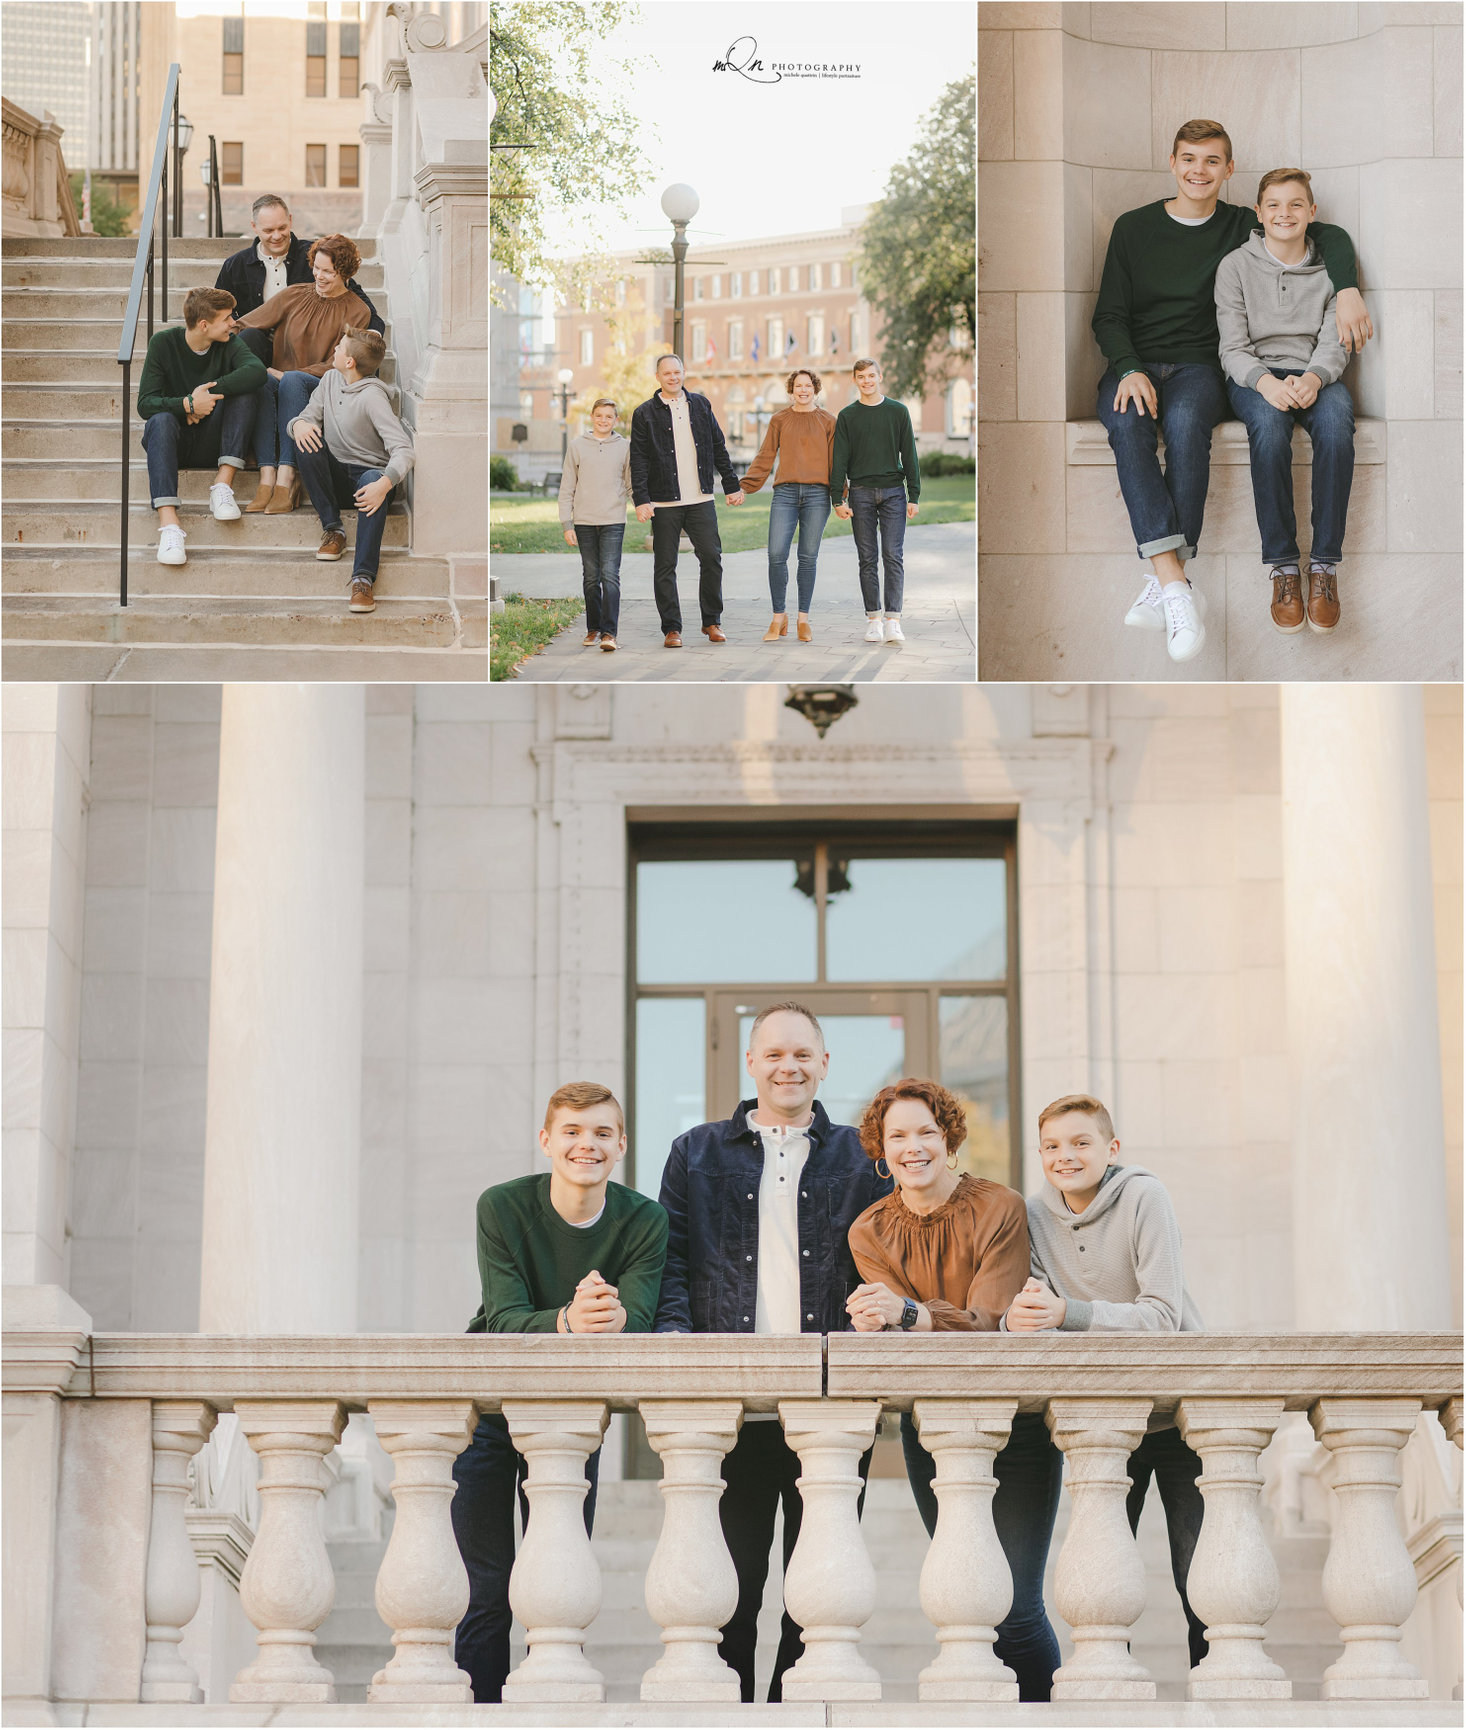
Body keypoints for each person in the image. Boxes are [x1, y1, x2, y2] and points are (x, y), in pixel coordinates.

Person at [654, 1001, 890, 1701]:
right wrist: (677, 1353)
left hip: (832, 1409)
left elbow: (885, 1272)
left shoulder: (862, 1158)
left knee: (816, 1595)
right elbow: (670, 1263)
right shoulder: (694, 1152)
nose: (788, 1066)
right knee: (729, 1588)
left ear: (823, 1065)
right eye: (774, 1054)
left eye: (802, 1054)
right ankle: (728, 1716)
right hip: (731, 1408)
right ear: (751, 1064)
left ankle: (797, 1713)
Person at [1093, 118, 1371, 663]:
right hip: (1140, 365)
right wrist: (1128, 368)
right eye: (1189, 159)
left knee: (1187, 427)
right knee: (1128, 424)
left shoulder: (1245, 223)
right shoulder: (1132, 228)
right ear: (1173, 163)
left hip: (1200, 365)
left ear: (1228, 169)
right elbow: (1108, 315)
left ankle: (1293, 572)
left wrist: (1349, 287)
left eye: (1212, 161)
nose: (1199, 171)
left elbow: (1325, 234)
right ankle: (1175, 584)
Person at [451, 1081, 668, 1704]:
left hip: (573, 1419)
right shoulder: (503, 1206)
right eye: (572, 1131)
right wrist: (571, 1321)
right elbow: (501, 1318)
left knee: (556, 1580)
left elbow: (643, 1319)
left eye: (602, 1132)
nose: (586, 1144)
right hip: (490, 1411)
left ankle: (547, 1709)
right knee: (485, 1585)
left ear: (621, 1144)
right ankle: (485, 1714)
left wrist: (612, 1316)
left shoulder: (644, 1220)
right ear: (546, 1140)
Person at [844, 1078, 1059, 1703]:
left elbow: (991, 1321)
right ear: (881, 1152)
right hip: (930, 1431)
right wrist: (876, 1320)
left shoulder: (1000, 1208)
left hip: (1012, 1427)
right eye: (898, 1136)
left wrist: (906, 1314)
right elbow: (896, 1339)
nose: (914, 1147)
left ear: (949, 1139)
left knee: (1016, 1608)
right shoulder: (869, 1231)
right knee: (971, 1605)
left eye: (926, 1132)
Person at [1004, 1093, 1208, 1678]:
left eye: (1079, 1142)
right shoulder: (1035, 1217)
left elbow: (1163, 1316)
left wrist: (1069, 1312)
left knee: (1202, 1581)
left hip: (1180, 1416)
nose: (1064, 1156)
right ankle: (1108, 1701)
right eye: (1051, 1146)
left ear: (1111, 1148)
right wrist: (1019, 1318)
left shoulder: (1146, 1196)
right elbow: (1036, 1314)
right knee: (1099, 1584)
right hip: (1102, 1422)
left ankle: (1219, 1702)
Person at [1215, 168, 1354, 635]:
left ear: (1311, 213)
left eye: (1296, 204)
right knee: (1270, 430)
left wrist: (1315, 377)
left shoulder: (1332, 268)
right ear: (1259, 212)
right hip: (1255, 378)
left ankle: (1324, 567)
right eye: (1273, 205)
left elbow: (1337, 340)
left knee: (1337, 425)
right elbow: (1231, 347)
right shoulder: (1234, 266)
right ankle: (1283, 569)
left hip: (1316, 373)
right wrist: (1266, 383)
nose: (1284, 213)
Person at [234, 233, 374, 514]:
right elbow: (244, 324)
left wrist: (289, 375)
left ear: (345, 273)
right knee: (259, 379)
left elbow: (341, 362)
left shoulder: (358, 312)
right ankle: (266, 477)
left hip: (319, 387)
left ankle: (287, 477)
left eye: (328, 272)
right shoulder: (294, 294)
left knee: (294, 381)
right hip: (278, 380)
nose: (319, 276)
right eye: (316, 268)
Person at [288, 326, 414, 614]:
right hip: (337, 476)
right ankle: (334, 530)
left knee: (372, 475)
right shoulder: (330, 379)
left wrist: (385, 483)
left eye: (339, 347)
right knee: (306, 438)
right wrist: (297, 424)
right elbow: (307, 417)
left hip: (370, 485)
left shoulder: (372, 397)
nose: (334, 349)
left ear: (350, 362)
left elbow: (404, 450)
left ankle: (363, 579)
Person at [136, 286, 265, 567]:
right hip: (174, 443)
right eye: (228, 318)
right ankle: (169, 526)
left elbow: (256, 371)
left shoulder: (228, 342)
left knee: (246, 390)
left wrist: (206, 395)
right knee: (159, 420)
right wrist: (187, 405)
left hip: (213, 440)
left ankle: (222, 485)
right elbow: (145, 404)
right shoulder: (163, 343)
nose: (234, 323)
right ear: (204, 325)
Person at [629, 353, 744, 648]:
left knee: (711, 556)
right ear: (658, 377)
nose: (673, 377)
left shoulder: (701, 405)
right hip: (663, 502)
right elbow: (638, 460)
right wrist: (641, 499)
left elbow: (719, 446)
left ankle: (712, 621)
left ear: (683, 373)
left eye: (677, 372)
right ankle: (672, 628)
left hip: (700, 498)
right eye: (667, 373)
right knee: (665, 565)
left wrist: (731, 485)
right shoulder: (644, 413)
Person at [739, 368, 836, 642]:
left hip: (818, 495)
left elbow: (835, 462)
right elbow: (766, 454)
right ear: (791, 390)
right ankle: (778, 617)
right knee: (776, 554)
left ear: (815, 389)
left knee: (807, 557)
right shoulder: (779, 419)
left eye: (808, 386)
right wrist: (745, 486)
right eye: (798, 386)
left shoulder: (829, 421)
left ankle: (803, 620)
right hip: (785, 494)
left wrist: (841, 497)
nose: (803, 390)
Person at [829, 358, 920, 645]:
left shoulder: (898, 411)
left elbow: (910, 454)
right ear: (855, 381)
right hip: (860, 493)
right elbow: (839, 459)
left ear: (880, 377)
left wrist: (914, 495)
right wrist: (837, 498)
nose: (867, 381)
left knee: (893, 555)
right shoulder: (847, 416)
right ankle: (874, 620)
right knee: (867, 558)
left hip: (894, 492)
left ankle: (893, 620)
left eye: (871, 376)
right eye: (861, 377)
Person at [215, 192, 384, 327]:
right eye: (268, 230)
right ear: (254, 227)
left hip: (306, 341)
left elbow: (351, 293)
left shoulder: (315, 256)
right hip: (255, 342)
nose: (276, 236)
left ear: (290, 220)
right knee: (250, 337)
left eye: (282, 228)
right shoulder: (235, 265)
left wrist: (374, 330)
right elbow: (218, 309)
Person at [559, 396, 633, 652]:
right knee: (591, 577)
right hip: (584, 521)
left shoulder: (625, 446)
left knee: (610, 576)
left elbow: (631, 482)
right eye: (599, 415)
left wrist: (644, 506)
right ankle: (593, 628)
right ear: (592, 417)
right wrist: (567, 524)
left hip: (613, 519)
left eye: (609, 417)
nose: (604, 420)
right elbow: (567, 486)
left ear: (616, 420)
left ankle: (609, 633)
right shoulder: (577, 446)